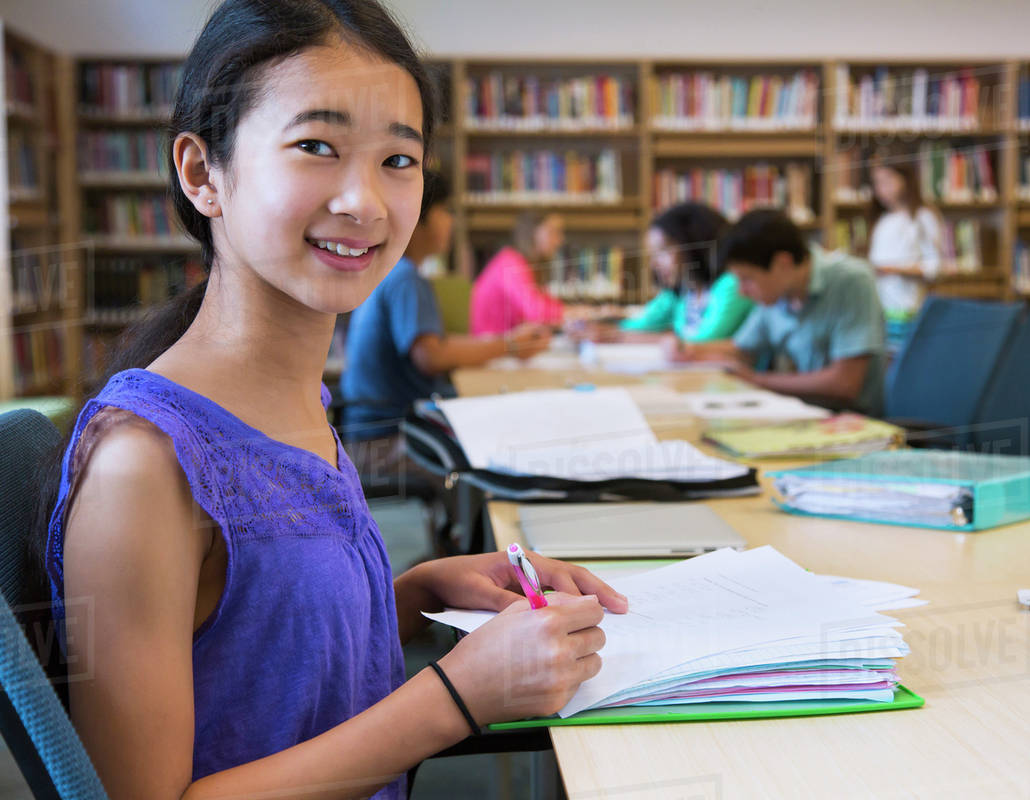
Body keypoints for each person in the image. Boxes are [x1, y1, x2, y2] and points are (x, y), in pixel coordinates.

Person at [30, 2, 625, 798]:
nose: (366, 203)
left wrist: (411, 595)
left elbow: (252, 644)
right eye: (316, 146)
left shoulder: (294, 395)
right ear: (203, 173)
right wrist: (456, 696)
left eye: (398, 161)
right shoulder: (146, 466)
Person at [340, 170, 549, 450]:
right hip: (386, 441)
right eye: (445, 211)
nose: (451, 221)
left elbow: (435, 344)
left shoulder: (394, 273)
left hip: (380, 431)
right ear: (417, 216)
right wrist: (510, 346)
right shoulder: (405, 278)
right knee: (506, 438)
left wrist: (505, 344)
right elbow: (431, 356)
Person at [676, 209, 887, 416]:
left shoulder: (851, 281)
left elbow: (844, 383)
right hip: (804, 414)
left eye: (747, 279)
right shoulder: (777, 293)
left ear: (782, 263)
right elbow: (741, 348)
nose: (742, 291)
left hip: (852, 423)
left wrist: (757, 380)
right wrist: (687, 348)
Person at [598, 202, 753, 344]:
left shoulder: (732, 284)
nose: (654, 264)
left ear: (694, 244)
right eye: (653, 255)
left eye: (663, 251)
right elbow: (643, 324)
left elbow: (704, 342)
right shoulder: (683, 290)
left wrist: (620, 335)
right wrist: (601, 327)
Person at [866, 151, 944, 348]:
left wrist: (893, 269)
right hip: (880, 309)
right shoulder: (883, 220)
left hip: (908, 309)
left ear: (906, 178)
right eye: (877, 183)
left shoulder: (922, 217)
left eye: (888, 180)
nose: (882, 189)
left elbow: (935, 268)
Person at [469, 211, 566, 335]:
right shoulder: (510, 262)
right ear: (532, 232)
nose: (560, 240)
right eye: (553, 231)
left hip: (506, 344)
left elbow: (543, 302)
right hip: (492, 346)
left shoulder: (527, 264)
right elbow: (535, 311)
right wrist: (581, 313)